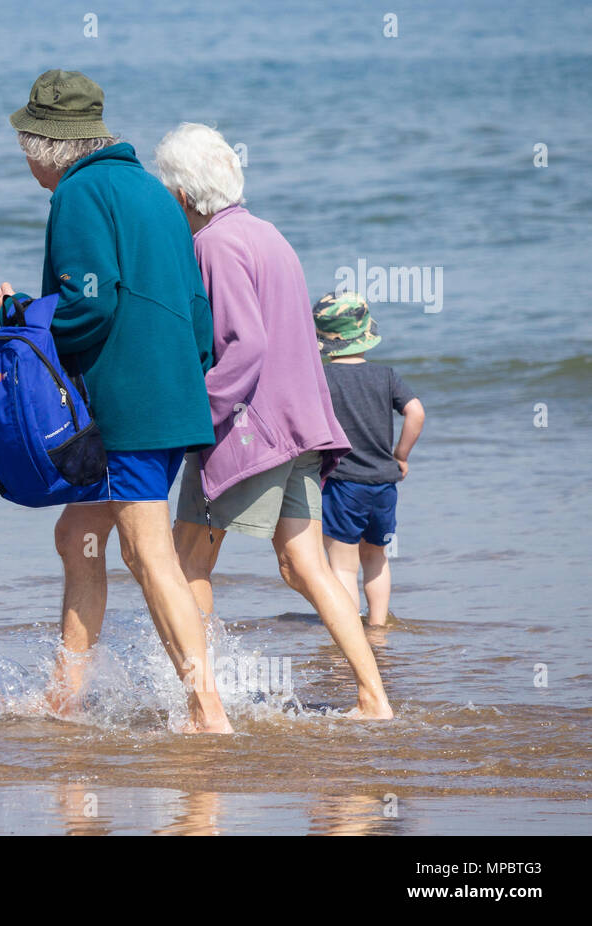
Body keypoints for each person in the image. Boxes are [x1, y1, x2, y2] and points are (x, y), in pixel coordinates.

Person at [0, 71, 232, 733]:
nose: (26, 161)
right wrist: (180, 378)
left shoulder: (77, 193)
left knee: (146, 552)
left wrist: (19, 316)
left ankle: (206, 709)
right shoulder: (156, 194)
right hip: (170, 396)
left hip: (128, 406)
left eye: (25, 146)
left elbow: (89, 302)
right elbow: (196, 311)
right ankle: (65, 699)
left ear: (49, 145)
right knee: (79, 536)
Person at [154, 122, 393, 719]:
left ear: (181, 196)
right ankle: (374, 697)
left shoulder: (212, 244)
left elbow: (246, 345)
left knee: (187, 565)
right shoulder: (270, 234)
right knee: (304, 566)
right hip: (303, 427)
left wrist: (195, 418)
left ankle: (199, 707)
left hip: (249, 431)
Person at [312, 292, 426, 626]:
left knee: (343, 565)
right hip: (384, 484)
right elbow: (416, 412)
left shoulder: (322, 380)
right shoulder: (385, 375)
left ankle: (350, 631)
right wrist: (400, 456)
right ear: (365, 333)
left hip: (343, 485)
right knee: (376, 558)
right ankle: (378, 627)